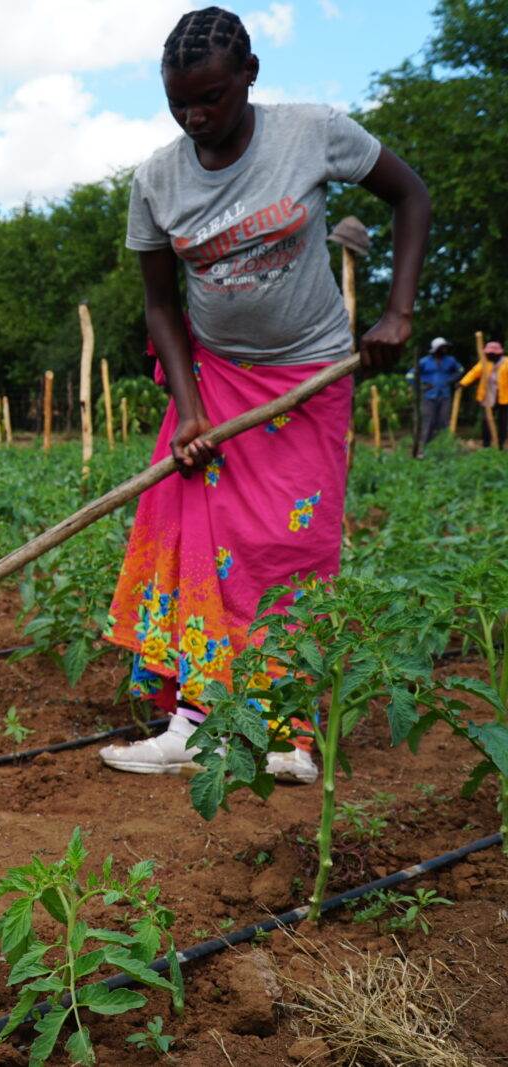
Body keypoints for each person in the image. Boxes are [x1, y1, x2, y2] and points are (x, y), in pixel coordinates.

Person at [96, 6, 430, 782]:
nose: (194, 115)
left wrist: (398, 311)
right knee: (196, 547)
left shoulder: (311, 133)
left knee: (290, 549)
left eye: (210, 96)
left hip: (310, 374)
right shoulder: (157, 179)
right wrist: (190, 411)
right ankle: (193, 718)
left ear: (249, 75)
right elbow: (160, 306)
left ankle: (288, 733)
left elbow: (411, 196)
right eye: (179, 100)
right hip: (216, 379)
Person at [410, 337, 463, 455]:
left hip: (444, 395)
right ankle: (423, 449)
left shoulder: (451, 360)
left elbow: (460, 370)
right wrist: (421, 385)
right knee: (428, 421)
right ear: (435, 349)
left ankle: (443, 449)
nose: (444, 349)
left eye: (445, 347)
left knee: (443, 421)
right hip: (428, 396)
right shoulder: (424, 361)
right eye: (441, 347)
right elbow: (410, 375)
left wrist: (451, 380)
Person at [460, 340, 507, 448]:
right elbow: (473, 373)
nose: (489, 355)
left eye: (492, 354)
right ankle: (486, 444)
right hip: (487, 396)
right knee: (486, 421)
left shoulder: (506, 363)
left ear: (498, 354)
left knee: (503, 422)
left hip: (504, 397)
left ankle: (500, 443)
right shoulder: (484, 363)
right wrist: (463, 383)